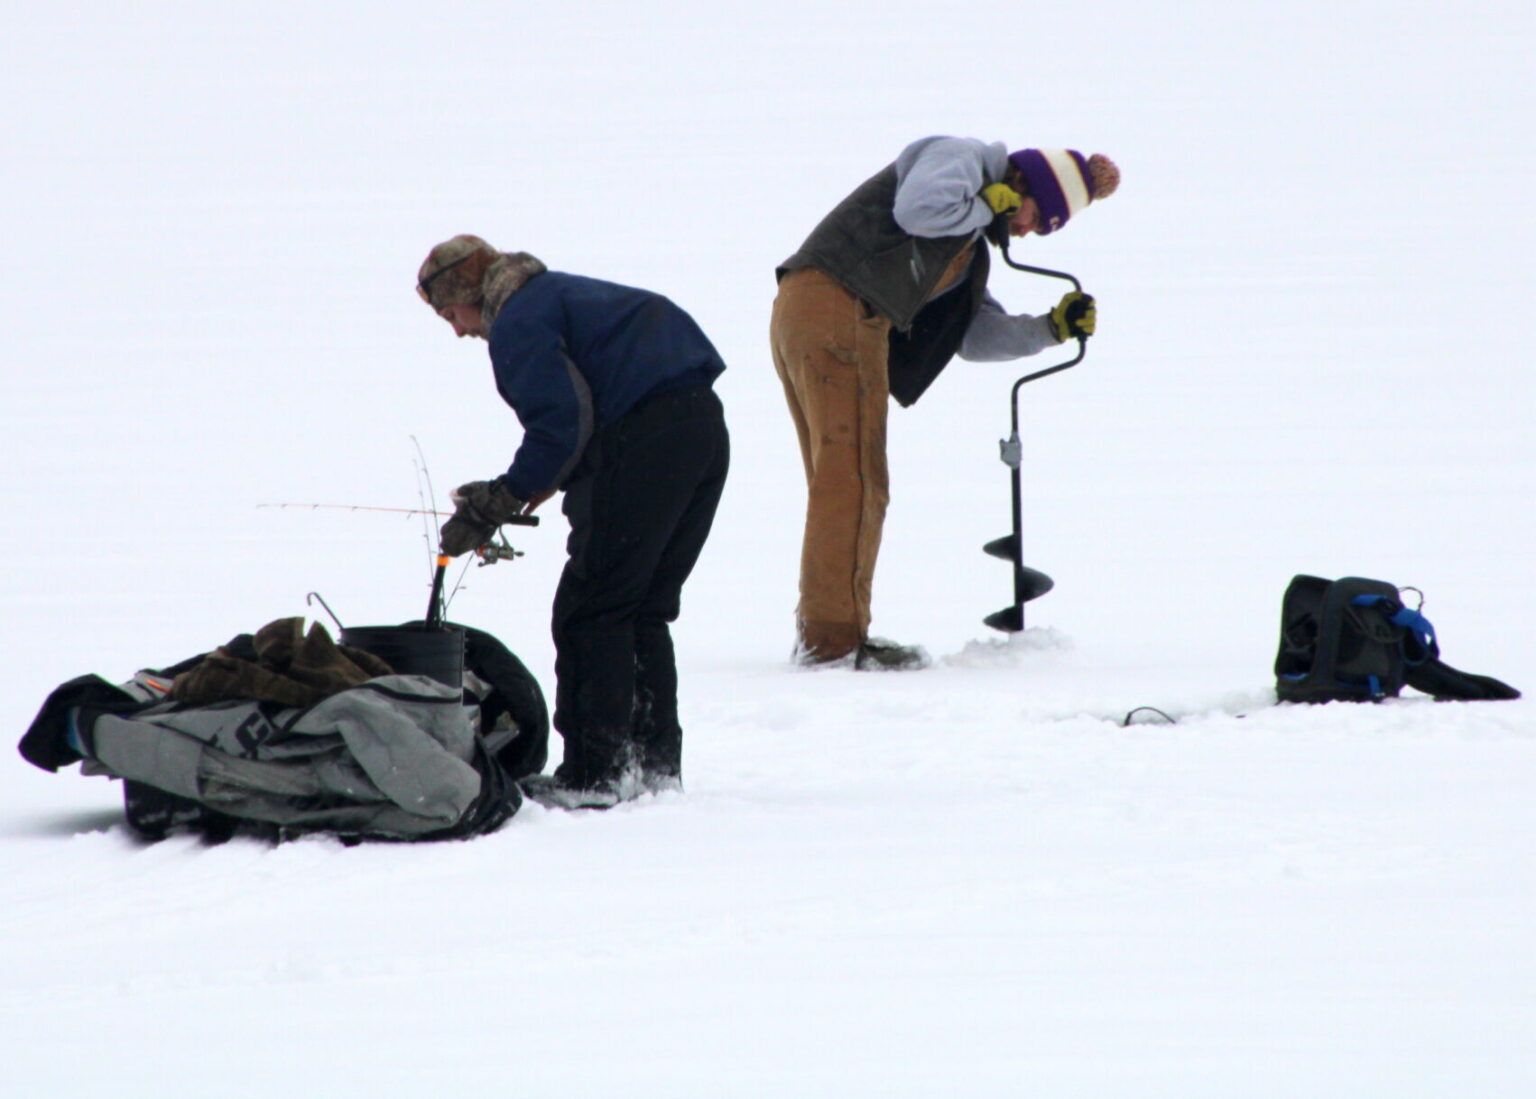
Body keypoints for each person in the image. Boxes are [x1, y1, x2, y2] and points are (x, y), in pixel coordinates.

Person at [770, 136, 1120, 669]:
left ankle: (831, 639)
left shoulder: (969, 246)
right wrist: (986, 202)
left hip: (819, 310)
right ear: (1022, 181)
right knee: (855, 481)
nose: (1025, 230)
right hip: (835, 305)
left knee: (845, 480)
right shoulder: (961, 157)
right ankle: (832, 650)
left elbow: (973, 335)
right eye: (1035, 215)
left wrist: (1049, 329)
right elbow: (919, 209)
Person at [417, 235, 730, 806]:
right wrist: (533, 485)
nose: (458, 330)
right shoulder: (564, 296)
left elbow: (562, 424)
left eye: (450, 314)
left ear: (467, 293)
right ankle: (652, 768)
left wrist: (499, 499)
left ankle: (596, 775)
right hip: (703, 430)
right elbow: (582, 418)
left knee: (592, 610)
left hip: (643, 440)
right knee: (641, 609)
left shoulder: (518, 321)